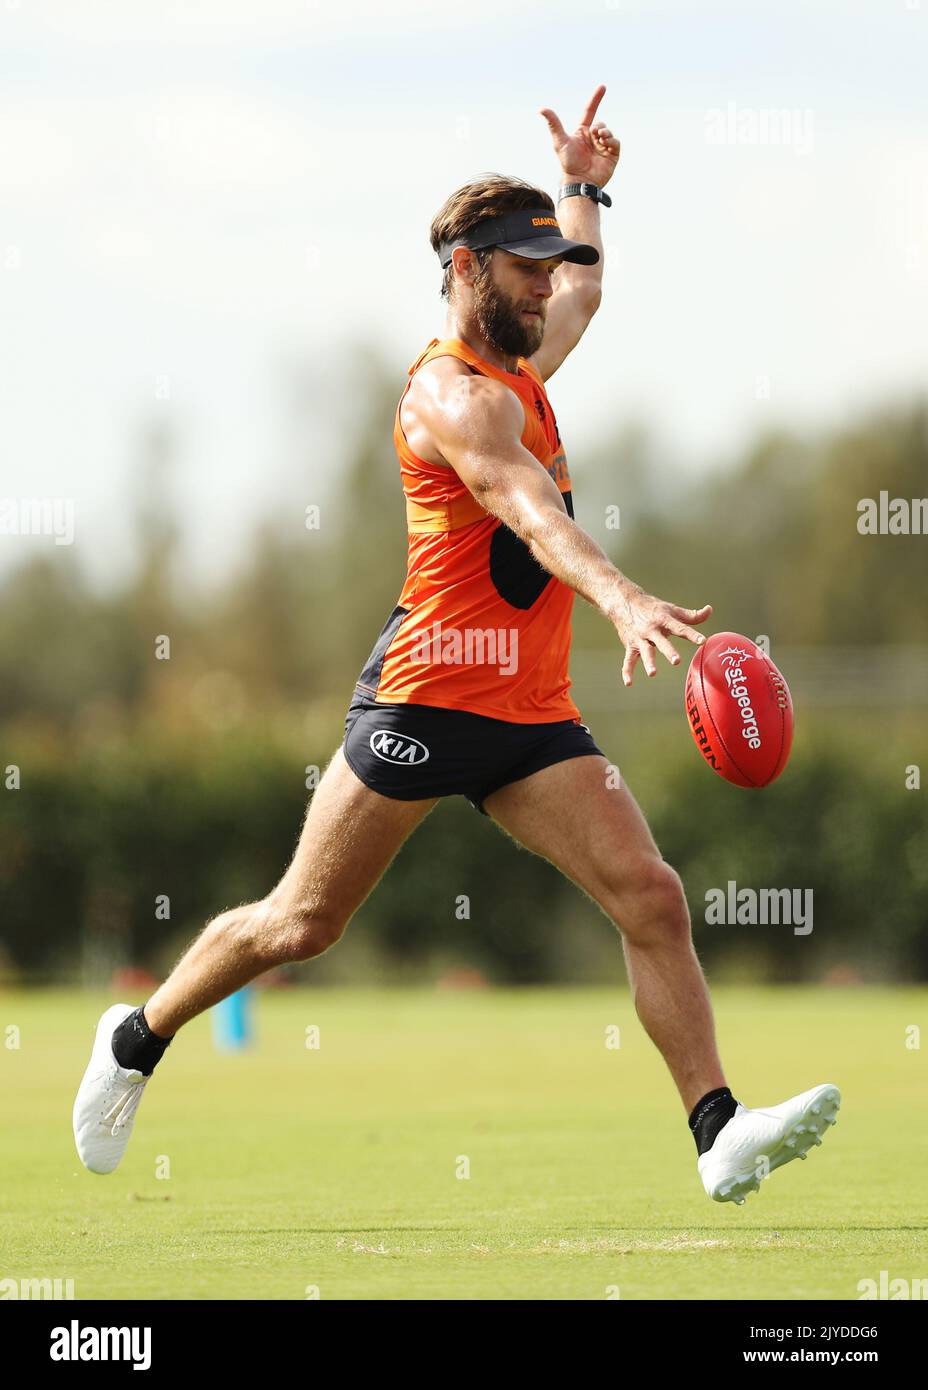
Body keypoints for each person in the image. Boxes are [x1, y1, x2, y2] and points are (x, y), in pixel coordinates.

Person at [74, 85, 839, 1202]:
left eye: (547, 263)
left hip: (528, 716)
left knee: (653, 897)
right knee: (301, 923)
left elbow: (589, 277)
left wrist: (583, 184)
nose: (548, 283)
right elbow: (526, 510)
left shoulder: (526, 353)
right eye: (527, 267)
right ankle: (135, 1040)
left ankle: (715, 1130)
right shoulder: (452, 395)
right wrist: (621, 599)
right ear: (468, 268)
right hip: (426, 699)